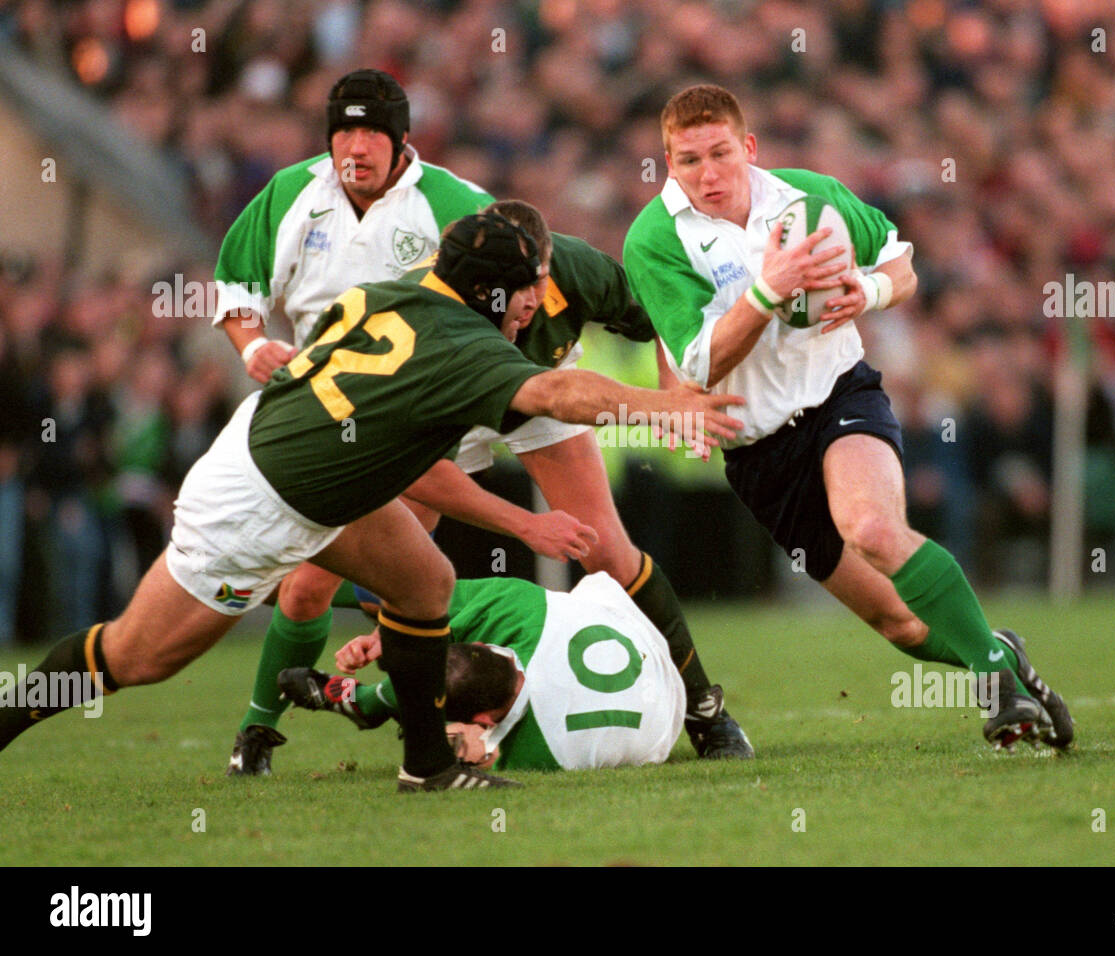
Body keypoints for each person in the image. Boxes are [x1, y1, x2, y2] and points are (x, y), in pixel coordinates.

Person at [0, 212, 743, 793]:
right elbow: (554, 392)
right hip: (253, 502)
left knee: (427, 584)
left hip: (304, 474)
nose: (531, 312)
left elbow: (412, 463)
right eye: (522, 299)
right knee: (138, 657)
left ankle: (426, 764)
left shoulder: (387, 292)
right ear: (489, 293)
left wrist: (518, 519)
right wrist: (660, 407)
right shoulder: (463, 345)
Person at [212, 71, 747, 771]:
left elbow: (651, 330)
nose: (530, 302)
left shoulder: (570, 266)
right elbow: (433, 472)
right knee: (341, 583)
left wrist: (673, 390)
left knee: (608, 553)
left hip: (538, 397)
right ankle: (261, 730)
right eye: (515, 289)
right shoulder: (432, 328)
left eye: (537, 283)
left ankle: (706, 710)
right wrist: (525, 526)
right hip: (443, 398)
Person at [622, 84, 1072, 749]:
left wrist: (870, 288)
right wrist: (770, 293)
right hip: (759, 453)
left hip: (840, 398)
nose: (707, 174)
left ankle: (995, 688)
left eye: (720, 153)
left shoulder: (810, 198)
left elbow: (900, 261)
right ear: (667, 162)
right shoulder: (654, 239)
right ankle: (999, 653)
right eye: (688, 161)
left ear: (748, 147)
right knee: (902, 625)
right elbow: (696, 366)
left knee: (873, 528)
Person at [279, 571, 685, 772]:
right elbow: (426, 597)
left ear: (483, 721)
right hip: (658, 691)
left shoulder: (531, 755)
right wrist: (388, 634)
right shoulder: (515, 605)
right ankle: (710, 713)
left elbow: (421, 590)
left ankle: (364, 701)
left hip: (655, 700)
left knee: (428, 684)